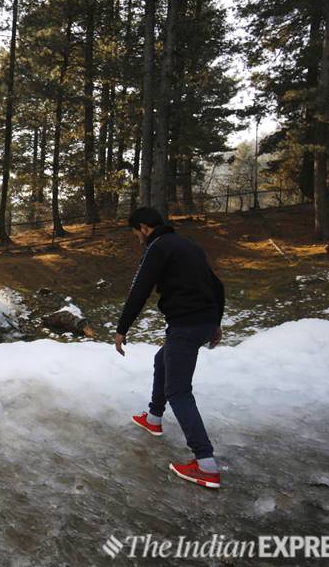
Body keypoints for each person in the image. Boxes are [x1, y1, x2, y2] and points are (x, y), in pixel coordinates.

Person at [115, 207, 225, 489]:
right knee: (162, 359)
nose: (137, 238)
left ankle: (206, 464)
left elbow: (139, 289)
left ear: (143, 227)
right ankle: (154, 417)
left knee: (178, 391)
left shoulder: (158, 247)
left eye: (135, 234)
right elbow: (217, 286)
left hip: (186, 325)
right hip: (201, 321)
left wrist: (122, 328)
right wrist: (215, 323)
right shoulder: (190, 246)